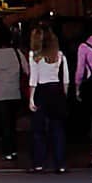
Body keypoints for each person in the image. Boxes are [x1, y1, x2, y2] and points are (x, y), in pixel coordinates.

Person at [26, 24, 70, 174]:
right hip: (56, 90)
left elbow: (33, 78)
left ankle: (39, 163)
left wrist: (31, 98)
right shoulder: (60, 55)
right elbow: (66, 78)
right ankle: (61, 163)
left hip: (41, 90)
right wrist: (63, 94)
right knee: (58, 129)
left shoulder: (34, 55)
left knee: (39, 130)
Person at [0, 29, 26, 160]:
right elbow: (26, 69)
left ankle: (7, 150)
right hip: (14, 92)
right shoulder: (17, 52)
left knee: (4, 123)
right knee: (12, 123)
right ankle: (13, 149)